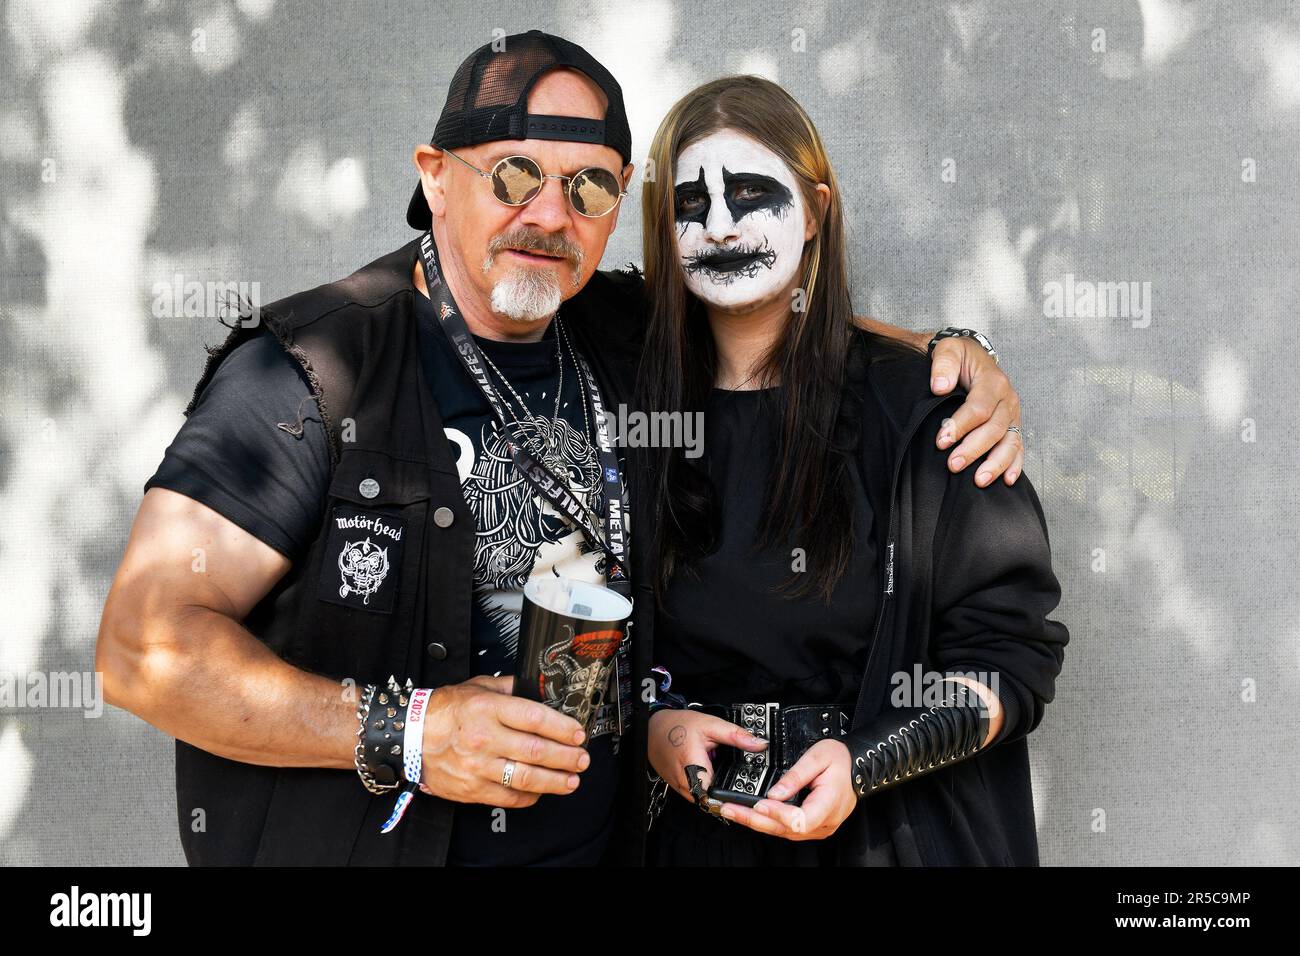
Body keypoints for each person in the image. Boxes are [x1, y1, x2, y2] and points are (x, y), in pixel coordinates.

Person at [96, 31, 1024, 866]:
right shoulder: (314, 371)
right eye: (513, 174)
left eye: (588, 187)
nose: (549, 214)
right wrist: (411, 731)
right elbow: (142, 648)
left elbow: (758, 289)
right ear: (435, 175)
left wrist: (954, 354)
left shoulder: (614, 338)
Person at [631, 75, 1069, 866]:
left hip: (890, 839)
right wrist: (657, 728)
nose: (721, 225)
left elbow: (1012, 662)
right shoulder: (623, 401)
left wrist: (866, 761)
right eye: (691, 204)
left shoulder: (926, 417)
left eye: (753, 193)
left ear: (817, 212)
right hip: (696, 842)